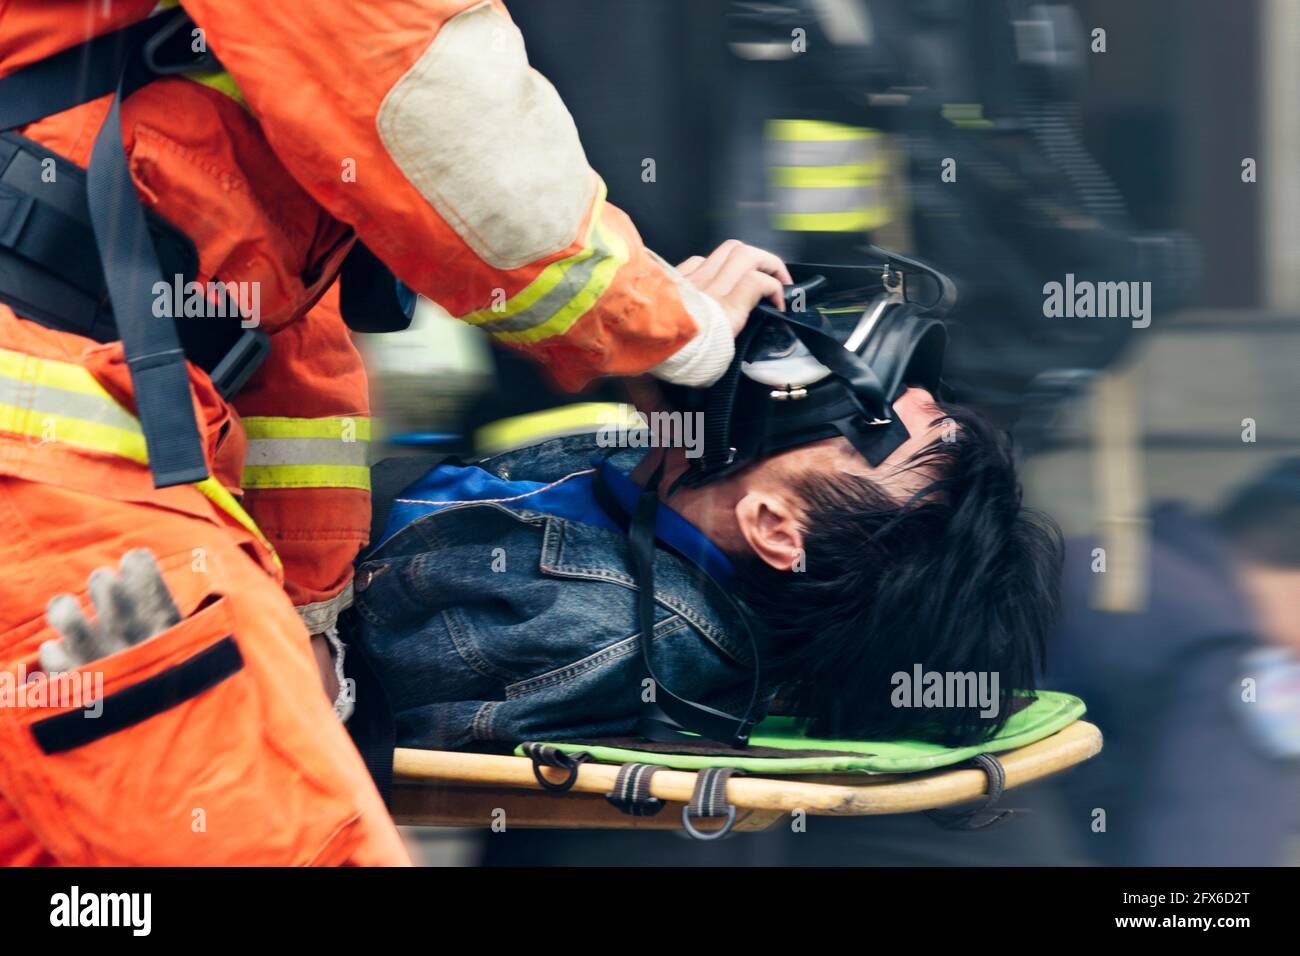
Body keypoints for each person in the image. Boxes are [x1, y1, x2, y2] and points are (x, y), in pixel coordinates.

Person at [0, 1, 789, 866]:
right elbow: (430, 97)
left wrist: (310, 619)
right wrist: (680, 326)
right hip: (54, 446)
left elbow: (282, 342)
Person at [353, 381, 1062, 750]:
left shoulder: (602, 637)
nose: (850, 393)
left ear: (776, 529)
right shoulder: (671, 481)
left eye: (868, 432)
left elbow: (302, 651)